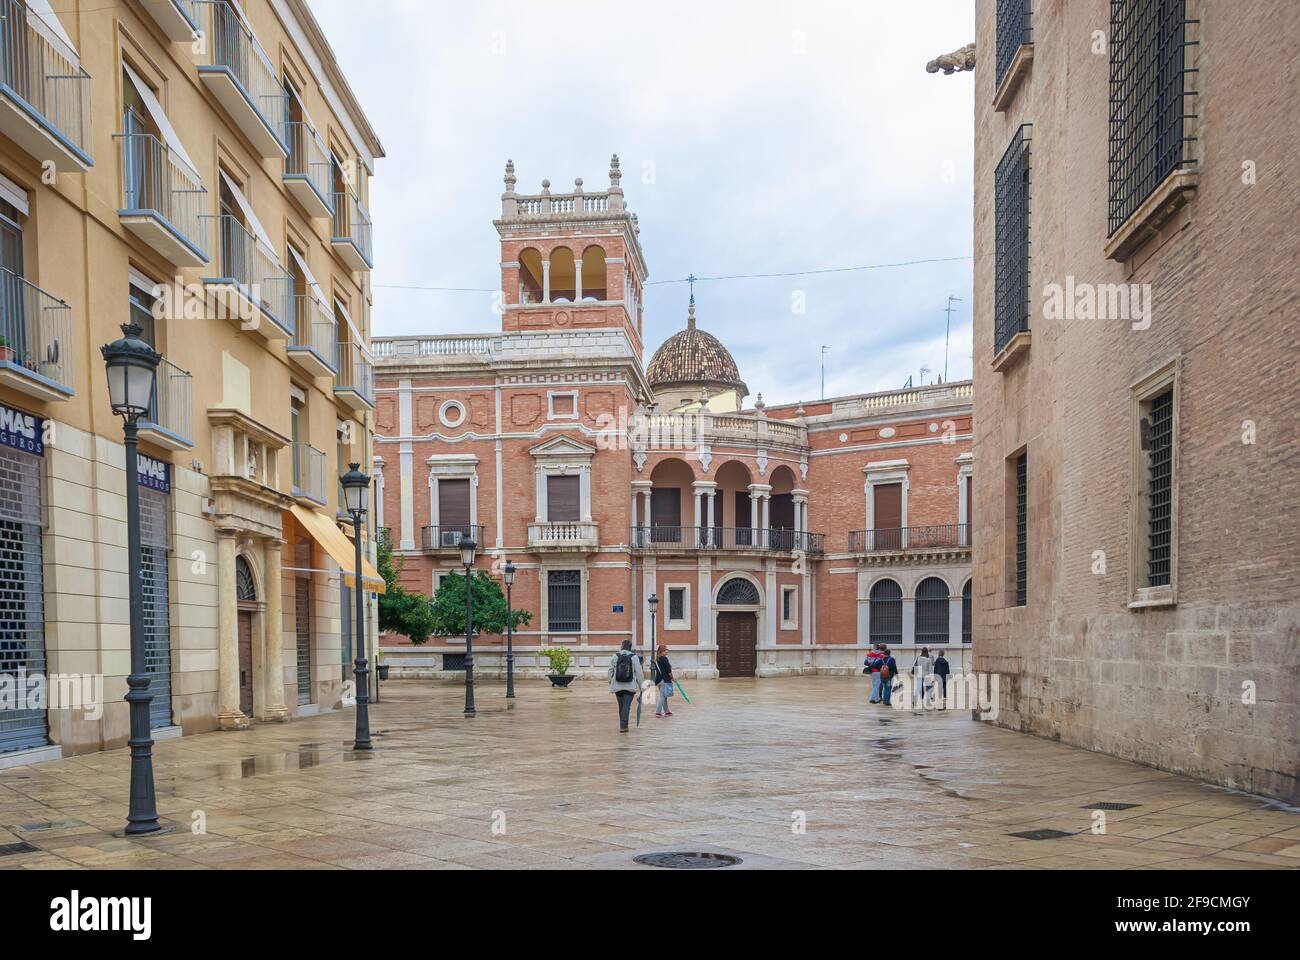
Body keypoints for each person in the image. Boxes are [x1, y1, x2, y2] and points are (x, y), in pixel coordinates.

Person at [608, 638, 645, 732]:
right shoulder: (634, 657)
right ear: (630, 647)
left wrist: (610, 682)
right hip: (630, 686)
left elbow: (610, 671)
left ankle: (623, 724)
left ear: (622, 646)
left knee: (621, 705)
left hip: (617, 686)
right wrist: (642, 686)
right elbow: (639, 673)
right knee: (626, 706)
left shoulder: (615, 656)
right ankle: (623, 726)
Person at [654, 644, 675, 718]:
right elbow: (668, 670)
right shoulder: (664, 659)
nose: (667, 651)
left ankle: (667, 712)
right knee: (662, 696)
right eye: (666, 650)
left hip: (659, 680)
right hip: (664, 680)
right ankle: (658, 712)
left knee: (664, 696)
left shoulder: (657, 659)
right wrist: (672, 678)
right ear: (662, 651)